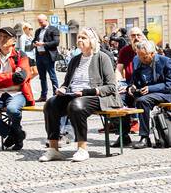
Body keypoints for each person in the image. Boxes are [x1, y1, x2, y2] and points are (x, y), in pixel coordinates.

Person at [39, 28, 121, 163]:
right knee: (51, 104)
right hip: (74, 95)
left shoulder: (102, 57)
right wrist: (62, 89)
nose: (80, 40)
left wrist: (85, 92)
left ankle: (82, 148)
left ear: (92, 41)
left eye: (84, 38)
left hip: (96, 96)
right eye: (78, 38)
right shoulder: (75, 59)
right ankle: (53, 149)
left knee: (76, 105)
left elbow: (111, 87)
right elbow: (66, 83)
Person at [125, 41, 171, 147]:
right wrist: (131, 87)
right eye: (139, 56)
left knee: (142, 101)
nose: (141, 59)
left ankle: (144, 137)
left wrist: (150, 88)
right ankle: (123, 135)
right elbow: (134, 80)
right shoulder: (137, 59)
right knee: (119, 99)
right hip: (143, 92)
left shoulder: (166, 61)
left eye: (144, 57)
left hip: (163, 93)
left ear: (152, 54)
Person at [33, 14, 61, 99]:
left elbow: (56, 42)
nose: (40, 23)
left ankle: (56, 94)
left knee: (52, 76)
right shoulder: (38, 31)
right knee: (42, 77)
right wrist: (34, 43)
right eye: (39, 22)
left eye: (41, 22)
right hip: (39, 55)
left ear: (46, 20)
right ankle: (43, 95)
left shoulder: (53, 29)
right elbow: (34, 40)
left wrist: (44, 44)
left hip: (48, 55)